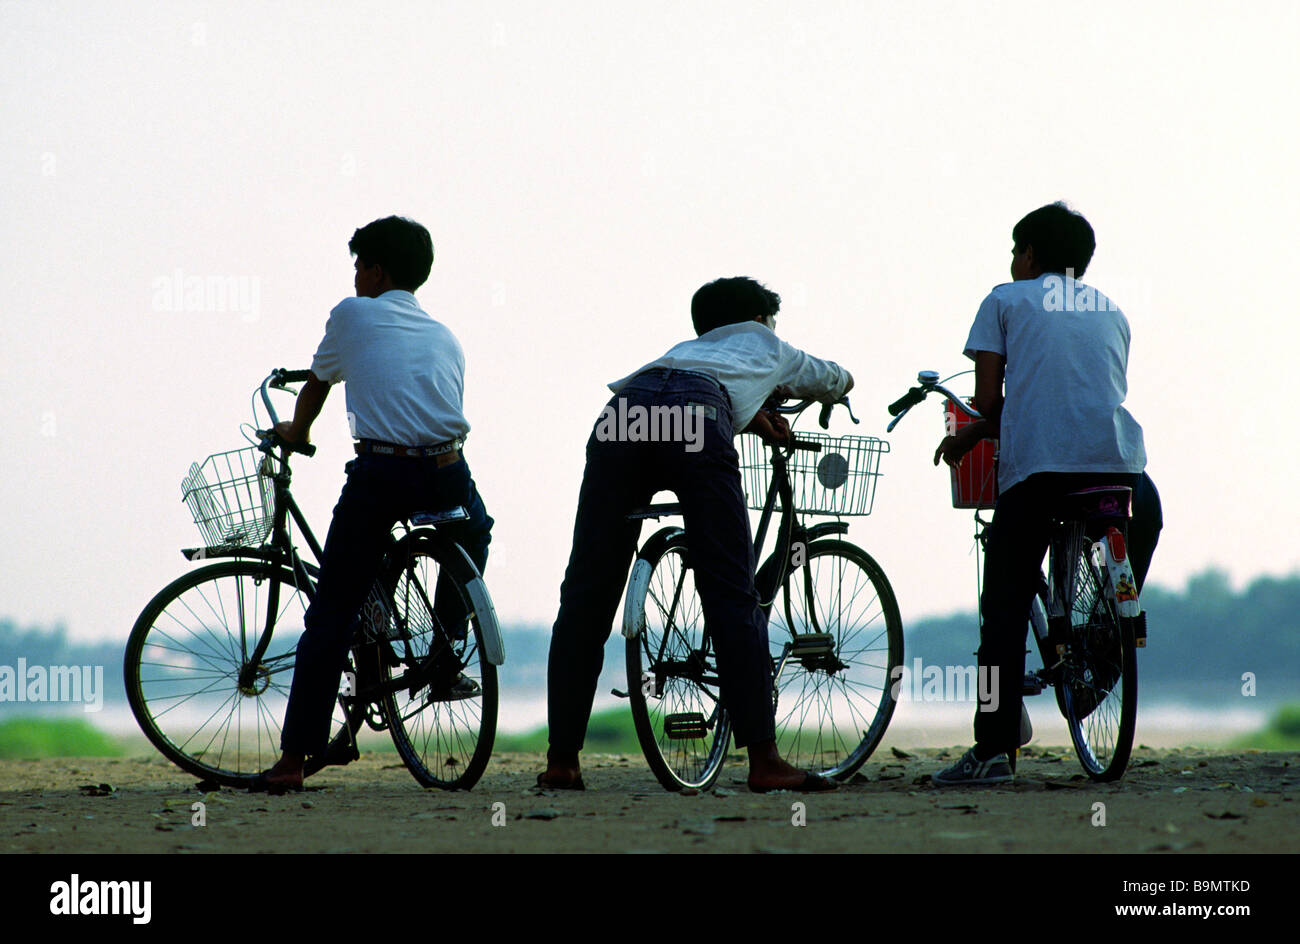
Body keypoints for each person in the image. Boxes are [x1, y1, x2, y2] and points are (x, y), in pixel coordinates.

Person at [538, 276, 854, 793]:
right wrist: (840, 388)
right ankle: (765, 761)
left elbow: (675, 397)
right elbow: (833, 376)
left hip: (623, 416)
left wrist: (749, 416)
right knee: (732, 593)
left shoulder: (684, 350)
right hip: (697, 416)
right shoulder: (765, 341)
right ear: (758, 319)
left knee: (585, 597)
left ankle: (562, 761)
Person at [258, 216, 494, 792]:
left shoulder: (351, 314)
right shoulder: (445, 334)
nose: (356, 276)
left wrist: (297, 431)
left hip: (382, 473)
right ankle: (446, 649)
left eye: (359, 265)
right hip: (447, 470)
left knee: (331, 612)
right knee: (477, 530)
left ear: (377, 269)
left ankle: (294, 761)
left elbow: (318, 382)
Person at [931, 202, 1162, 785]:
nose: (1012, 261)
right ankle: (1103, 645)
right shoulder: (1111, 309)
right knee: (1147, 524)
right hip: (1120, 469)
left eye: (1016, 250)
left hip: (1041, 473)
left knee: (1003, 610)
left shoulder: (1004, 300)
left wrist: (966, 438)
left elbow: (987, 404)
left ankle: (993, 749)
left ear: (1029, 254)